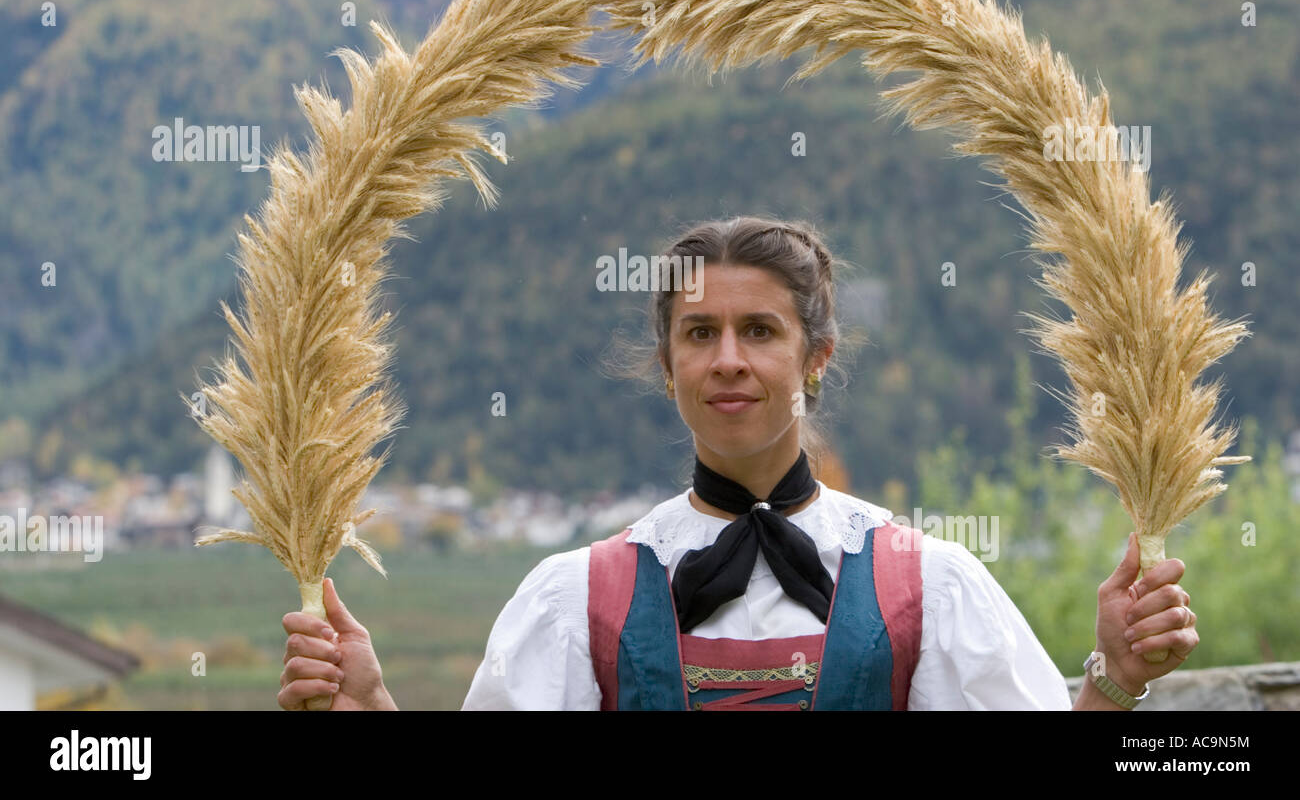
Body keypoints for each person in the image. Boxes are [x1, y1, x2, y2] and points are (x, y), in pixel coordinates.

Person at [278, 215, 1198, 710]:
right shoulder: (574, 599)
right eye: (699, 334)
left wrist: (1114, 681)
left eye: (760, 330)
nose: (728, 359)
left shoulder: (930, 582)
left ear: (816, 356)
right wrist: (371, 704)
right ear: (668, 364)